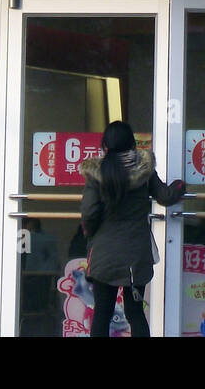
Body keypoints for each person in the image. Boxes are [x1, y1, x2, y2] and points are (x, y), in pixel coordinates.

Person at [79, 121, 186, 337]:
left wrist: (91, 233)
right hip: (135, 257)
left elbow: (89, 212)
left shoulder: (96, 173)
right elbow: (165, 197)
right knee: (135, 312)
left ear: (105, 145)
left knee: (102, 313)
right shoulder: (144, 169)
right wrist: (180, 185)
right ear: (132, 143)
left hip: (104, 256)